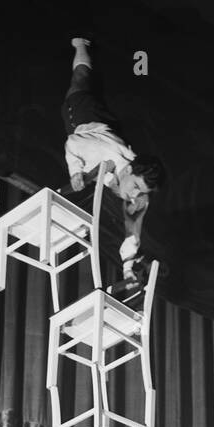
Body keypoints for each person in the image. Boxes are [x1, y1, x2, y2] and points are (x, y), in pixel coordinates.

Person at [62, 37, 166, 286]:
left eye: (142, 191)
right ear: (128, 169)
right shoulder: (101, 153)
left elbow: (132, 233)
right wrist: (76, 172)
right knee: (80, 82)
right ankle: (81, 47)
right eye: (136, 186)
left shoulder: (140, 196)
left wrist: (128, 266)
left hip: (110, 129)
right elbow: (71, 145)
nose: (135, 194)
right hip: (83, 118)